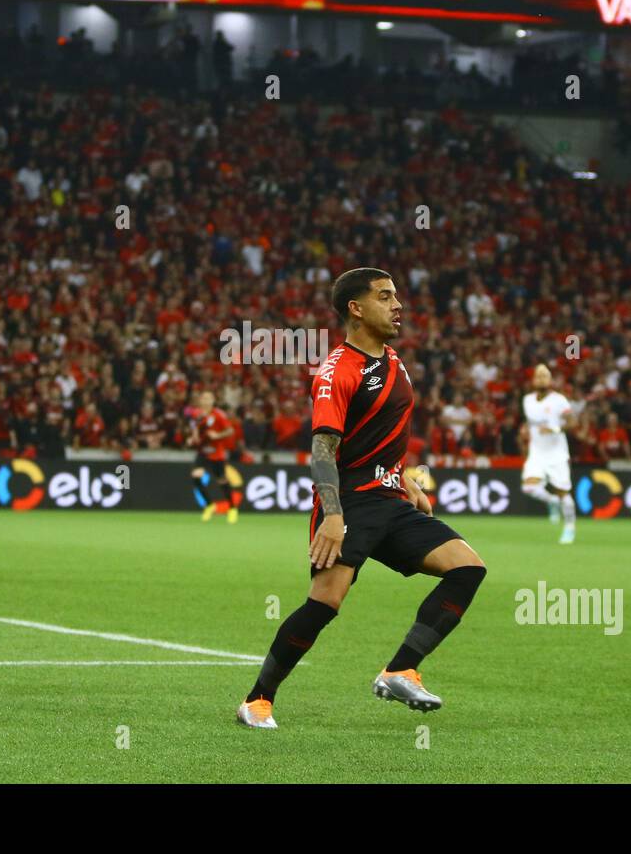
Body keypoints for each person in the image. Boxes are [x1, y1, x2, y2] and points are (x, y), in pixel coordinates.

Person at [236, 268, 486, 729]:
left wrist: (407, 482)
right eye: (385, 296)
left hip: (390, 498)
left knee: (467, 567)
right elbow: (322, 450)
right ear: (356, 308)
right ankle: (257, 700)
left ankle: (401, 669)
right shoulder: (337, 371)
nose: (398, 305)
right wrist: (333, 515)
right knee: (323, 605)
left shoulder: (393, 359)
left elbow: (381, 432)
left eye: (396, 296)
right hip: (350, 503)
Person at [520, 363, 578, 544]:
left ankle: (569, 527)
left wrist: (554, 428)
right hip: (536, 452)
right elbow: (530, 423)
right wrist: (524, 430)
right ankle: (552, 501)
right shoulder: (527, 400)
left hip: (556, 453)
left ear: (550, 380)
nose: (541, 379)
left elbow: (573, 422)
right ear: (533, 380)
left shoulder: (558, 400)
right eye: (538, 376)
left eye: (545, 375)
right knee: (528, 487)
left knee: (564, 492)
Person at [190, 389, 240, 523]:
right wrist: (193, 438)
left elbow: (230, 430)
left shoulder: (218, 415)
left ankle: (232, 508)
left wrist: (218, 435)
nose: (205, 401)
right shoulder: (197, 414)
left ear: (213, 401)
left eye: (208, 398)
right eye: (203, 398)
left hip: (216, 453)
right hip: (203, 452)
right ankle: (209, 505)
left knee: (222, 481)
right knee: (196, 476)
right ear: (200, 401)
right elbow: (196, 429)